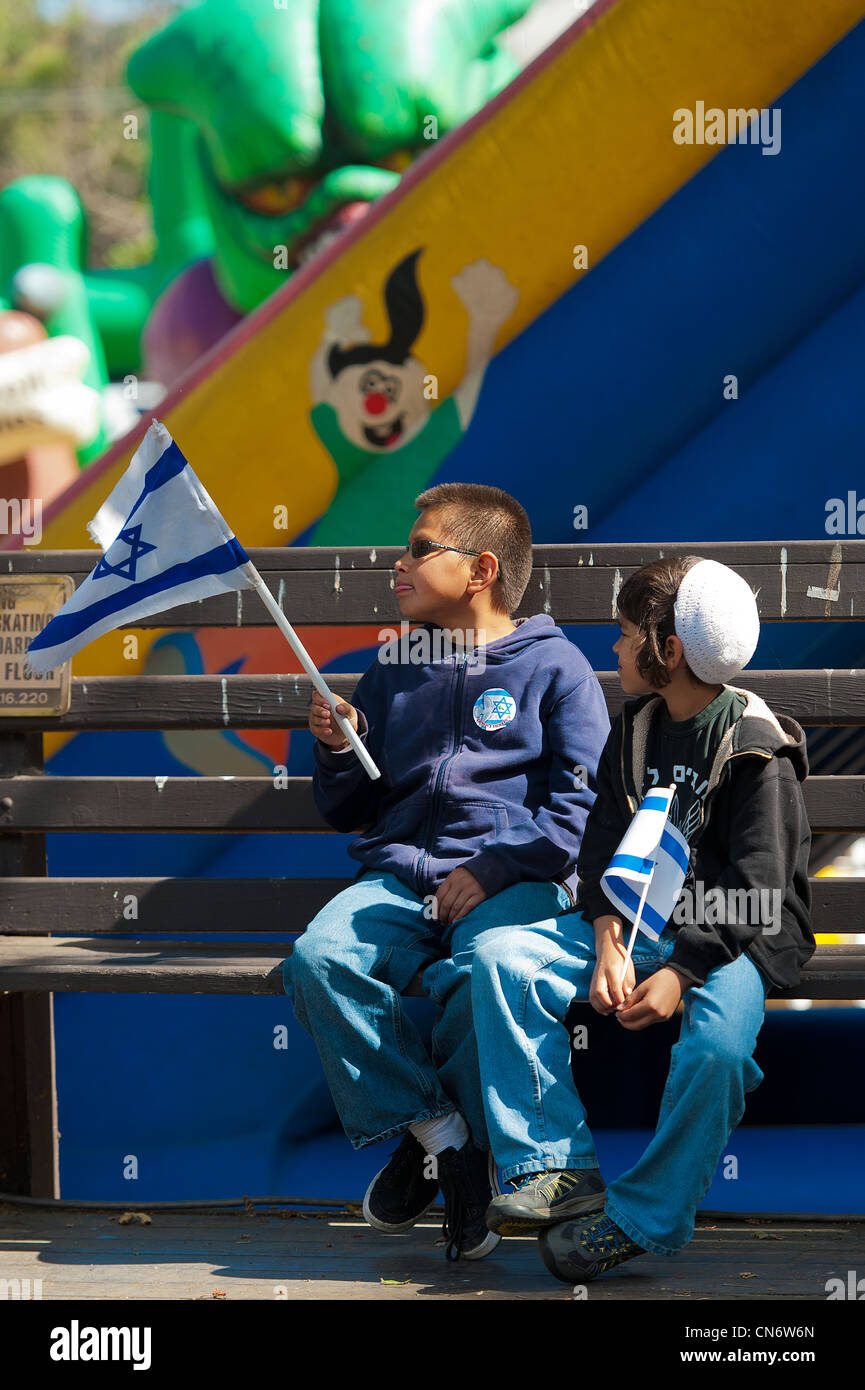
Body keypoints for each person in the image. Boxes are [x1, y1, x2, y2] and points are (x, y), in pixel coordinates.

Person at [282, 482, 610, 1260]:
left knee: (481, 977)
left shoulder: (556, 667)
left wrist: (498, 867)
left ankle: (446, 1156)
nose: (398, 562)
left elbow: (581, 807)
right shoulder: (395, 667)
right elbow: (352, 810)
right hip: (397, 880)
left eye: (420, 548)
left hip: (511, 883)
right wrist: (338, 748)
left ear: (480, 570)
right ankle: (444, 1138)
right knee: (317, 960)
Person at [471, 556, 815, 1281]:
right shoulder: (634, 730)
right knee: (502, 957)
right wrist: (604, 942)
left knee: (716, 1049)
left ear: (670, 648)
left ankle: (643, 1216)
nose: (615, 648)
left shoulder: (756, 746)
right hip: (639, 925)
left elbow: (757, 887)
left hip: (735, 940)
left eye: (626, 634)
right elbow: (599, 848)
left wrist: (681, 974)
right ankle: (555, 1165)